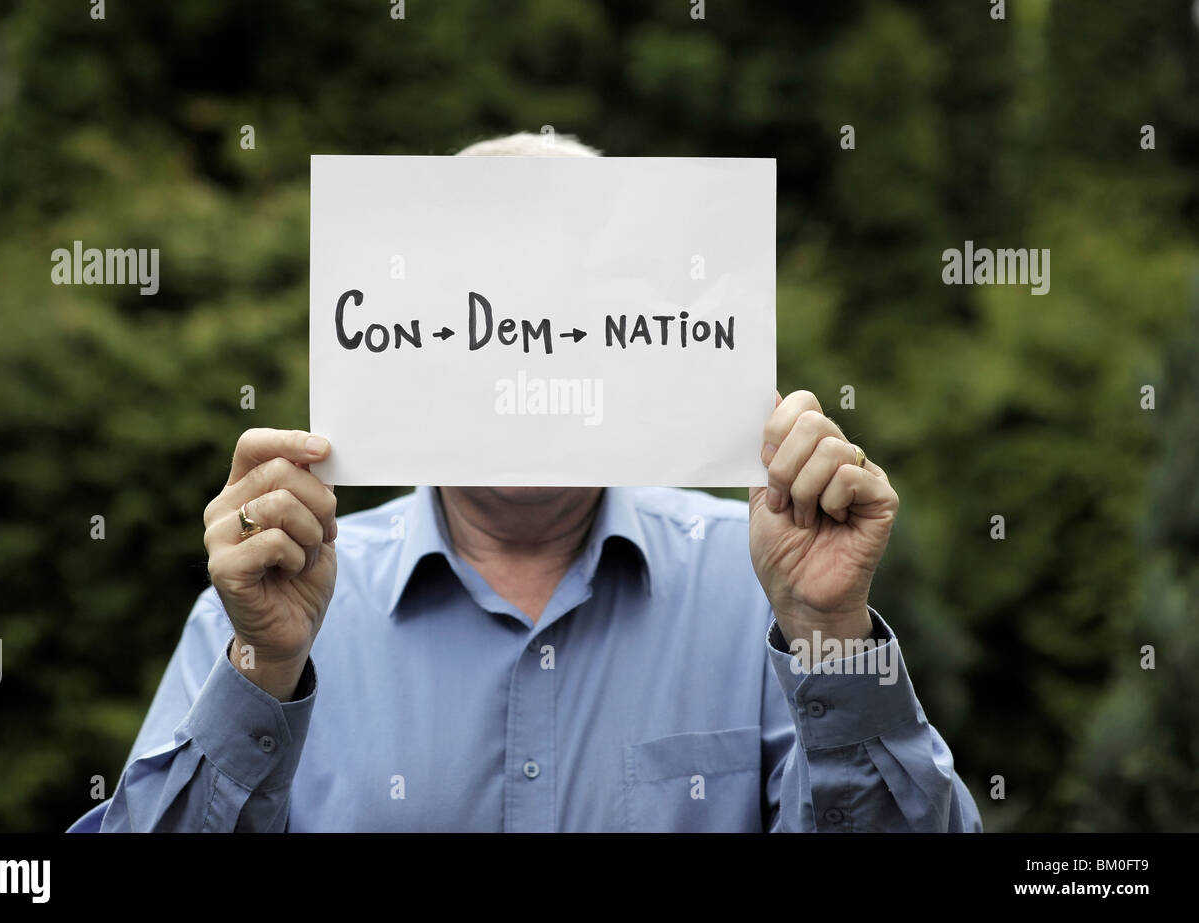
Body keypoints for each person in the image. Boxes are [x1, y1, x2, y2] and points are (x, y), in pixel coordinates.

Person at [69, 133, 982, 832]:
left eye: (568, 306)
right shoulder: (270, 607)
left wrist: (828, 635)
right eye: (486, 308)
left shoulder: (759, 591)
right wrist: (264, 674)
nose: (528, 346)